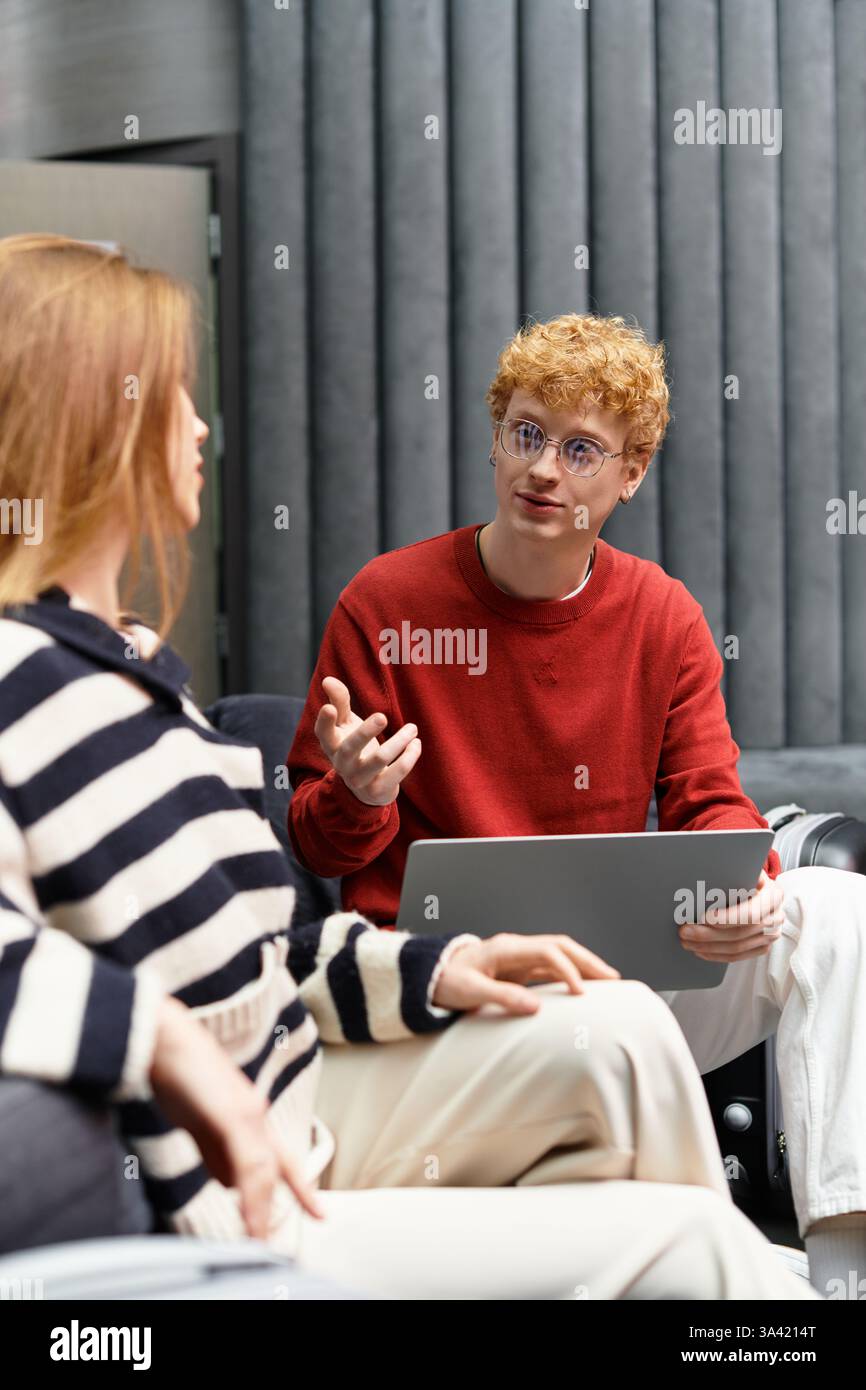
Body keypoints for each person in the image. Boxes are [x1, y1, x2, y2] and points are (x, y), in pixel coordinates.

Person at [0, 235, 817, 1301]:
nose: (200, 426)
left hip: (322, 1066)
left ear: (625, 475)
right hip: (244, 1166)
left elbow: (268, 952)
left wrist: (432, 971)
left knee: (672, 1004)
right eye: (173, 400)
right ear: (96, 427)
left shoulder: (145, 684)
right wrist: (167, 1040)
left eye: (576, 449)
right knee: (693, 1225)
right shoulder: (30, 678)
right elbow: (295, 860)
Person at [288, 312, 866, 1299]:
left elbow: (710, 803)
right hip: (455, 996)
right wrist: (354, 790)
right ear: (491, 436)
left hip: (622, 977)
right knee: (606, 1019)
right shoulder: (385, 603)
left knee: (836, 910)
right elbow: (314, 838)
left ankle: (837, 1276)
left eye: (577, 447)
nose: (541, 469)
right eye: (523, 431)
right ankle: (712, 1276)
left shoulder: (663, 615)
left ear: (628, 473)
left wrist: (746, 886)